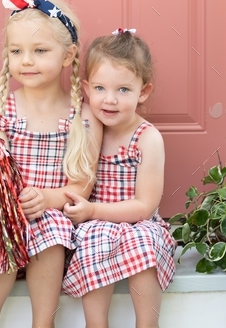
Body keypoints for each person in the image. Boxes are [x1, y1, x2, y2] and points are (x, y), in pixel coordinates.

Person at [0, 0, 102, 328]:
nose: (26, 61)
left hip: (51, 213)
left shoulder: (82, 116)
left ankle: (44, 322)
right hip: (2, 209)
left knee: (50, 230)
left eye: (40, 51)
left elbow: (83, 181)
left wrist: (48, 198)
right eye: (16, 51)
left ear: (68, 55)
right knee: (2, 227)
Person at [62, 28, 176, 328]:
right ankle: (96, 324)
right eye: (100, 88)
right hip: (97, 225)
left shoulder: (147, 138)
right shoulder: (85, 126)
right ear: (86, 89)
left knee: (145, 240)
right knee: (93, 238)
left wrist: (92, 210)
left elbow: (144, 206)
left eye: (123, 90)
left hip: (136, 221)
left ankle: (147, 324)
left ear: (143, 92)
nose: (109, 100)